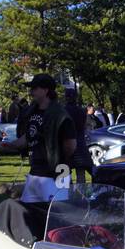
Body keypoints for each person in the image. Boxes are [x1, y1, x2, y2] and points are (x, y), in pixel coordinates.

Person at [18, 74, 76, 203]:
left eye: (34, 88)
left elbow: (70, 145)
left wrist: (58, 158)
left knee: (57, 215)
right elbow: (28, 137)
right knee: (29, 214)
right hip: (35, 172)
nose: (31, 91)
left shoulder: (60, 115)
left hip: (57, 173)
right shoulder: (32, 112)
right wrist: (8, 145)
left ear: (45, 90)